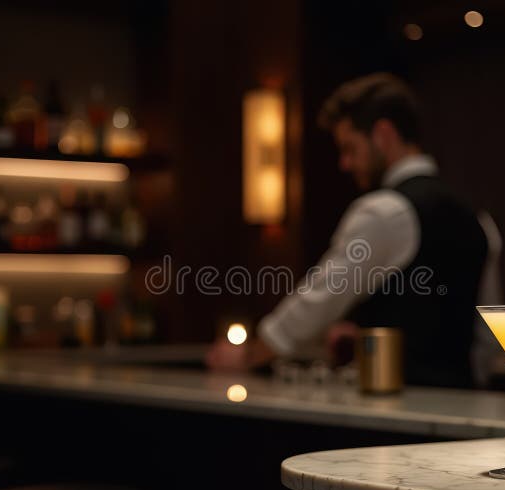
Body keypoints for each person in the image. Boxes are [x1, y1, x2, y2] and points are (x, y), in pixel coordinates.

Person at [207, 73, 487, 387]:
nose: (345, 163)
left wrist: (249, 355)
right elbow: (485, 335)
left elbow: (320, 299)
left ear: (382, 135)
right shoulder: (477, 217)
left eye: (350, 148)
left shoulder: (384, 211)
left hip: (393, 402)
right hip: (462, 399)